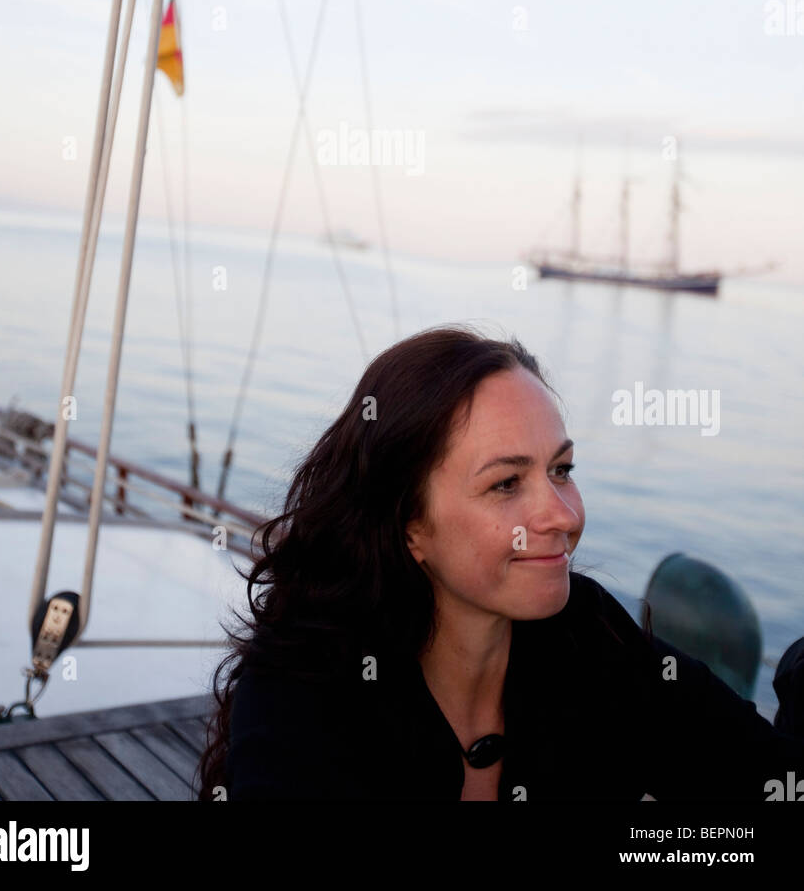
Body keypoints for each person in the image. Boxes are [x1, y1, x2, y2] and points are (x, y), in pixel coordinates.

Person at [198, 325, 804, 801]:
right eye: (507, 484)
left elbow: (771, 781)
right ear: (409, 525)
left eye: (561, 470)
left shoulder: (585, 637)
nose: (564, 516)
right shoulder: (305, 702)